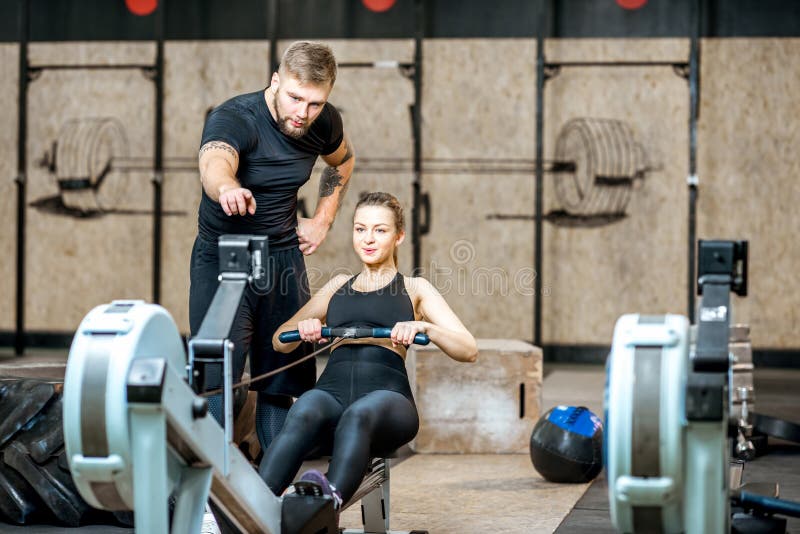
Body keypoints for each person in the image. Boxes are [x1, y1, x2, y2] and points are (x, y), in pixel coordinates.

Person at [258, 192, 478, 519]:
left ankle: (321, 505)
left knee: (358, 414)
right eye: (360, 229)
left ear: (398, 236)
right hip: (330, 395)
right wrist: (304, 327)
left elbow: (468, 349)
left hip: (386, 399)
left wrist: (424, 327)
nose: (368, 239)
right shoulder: (337, 285)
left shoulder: (414, 288)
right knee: (305, 408)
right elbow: (280, 340)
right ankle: (251, 505)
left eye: (380, 230)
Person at [190, 41, 355, 452]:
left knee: (281, 378)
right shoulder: (236, 117)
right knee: (218, 377)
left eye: (315, 103)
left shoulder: (323, 122)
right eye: (295, 98)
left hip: (281, 257)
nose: (303, 113)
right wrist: (227, 188)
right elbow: (214, 163)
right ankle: (212, 482)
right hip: (225, 256)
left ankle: (275, 484)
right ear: (276, 81)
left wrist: (322, 219)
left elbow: (343, 161)